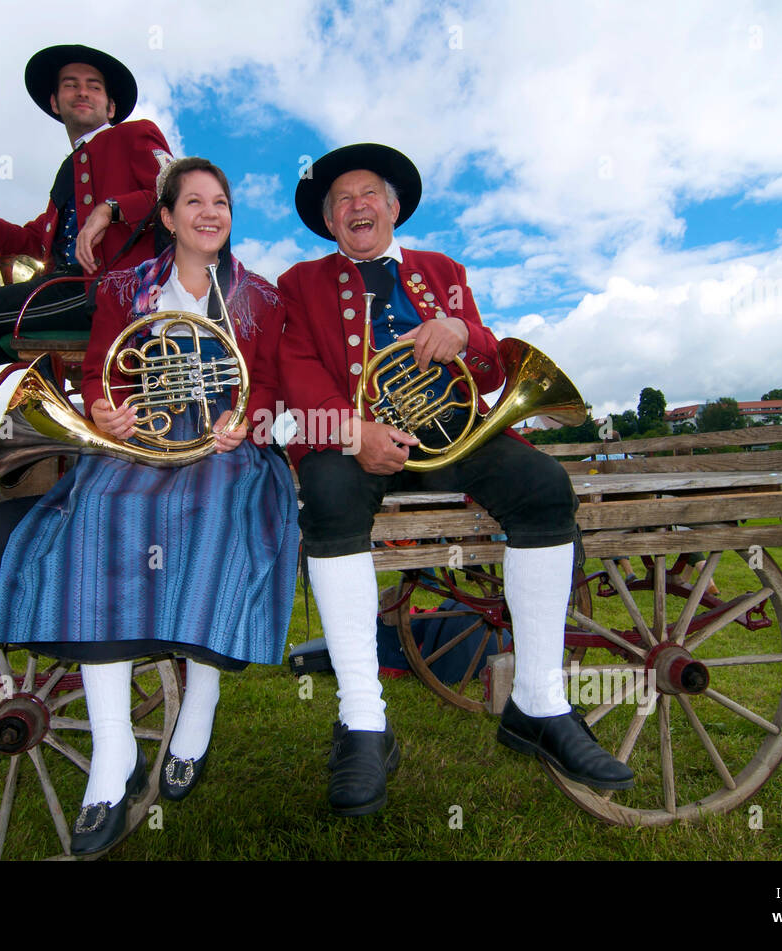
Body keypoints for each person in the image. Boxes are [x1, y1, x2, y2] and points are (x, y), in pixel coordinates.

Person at [277, 143, 634, 817]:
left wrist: (459, 329)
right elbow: (298, 374)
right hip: (359, 442)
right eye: (341, 201)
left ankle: (539, 702)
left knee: (543, 488)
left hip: (454, 432)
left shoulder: (443, 271)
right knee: (324, 496)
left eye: (368, 195)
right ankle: (363, 720)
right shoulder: (299, 284)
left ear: (394, 207)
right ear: (329, 222)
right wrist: (358, 435)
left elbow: (494, 370)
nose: (357, 207)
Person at [0, 157, 297, 854]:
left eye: (222, 203)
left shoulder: (259, 297)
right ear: (169, 217)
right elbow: (99, 370)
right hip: (143, 438)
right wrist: (104, 408)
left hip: (224, 438)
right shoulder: (124, 288)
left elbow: (265, 381)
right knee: (101, 516)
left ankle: (199, 703)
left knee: (220, 515)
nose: (211, 213)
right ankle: (114, 757)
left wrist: (246, 416)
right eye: (195, 203)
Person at [0, 44, 173, 441]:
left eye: (93, 87)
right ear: (55, 102)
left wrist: (111, 209)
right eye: (70, 85)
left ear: (111, 107)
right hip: (64, 290)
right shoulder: (68, 169)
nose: (82, 92)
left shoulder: (136, 134)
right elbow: (34, 240)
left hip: (105, 293)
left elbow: (176, 195)